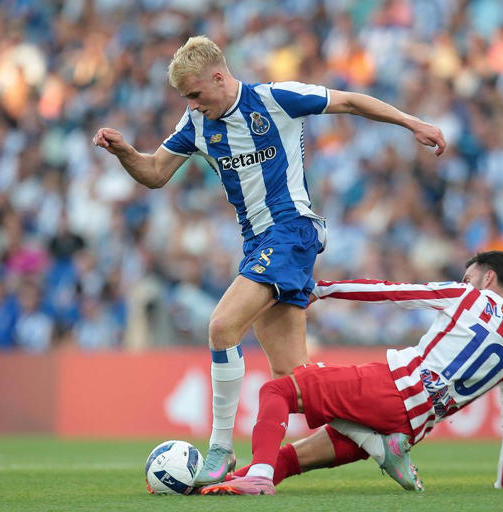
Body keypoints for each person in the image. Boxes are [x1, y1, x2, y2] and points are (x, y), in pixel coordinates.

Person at [92, 35, 447, 485]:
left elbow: (350, 101)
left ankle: (221, 449)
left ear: (218, 77)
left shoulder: (275, 99)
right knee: (294, 378)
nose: (192, 105)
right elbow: (155, 173)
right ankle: (383, 444)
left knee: (222, 326)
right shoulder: (196, 123)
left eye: (196, 94)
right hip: (258, 243)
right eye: (185, 98)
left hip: (291, 231)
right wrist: (125, 152)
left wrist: (412, 122)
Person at [200, 251, 503, 496]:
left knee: (276, 391)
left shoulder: (469, 296)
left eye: (469, 277)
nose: (466, 282)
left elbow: (391, 291)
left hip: (390, 389)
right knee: (288, 459)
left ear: (487, 278)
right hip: (411, 428)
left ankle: (259, 475)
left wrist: (324, 289)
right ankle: (207, 487)